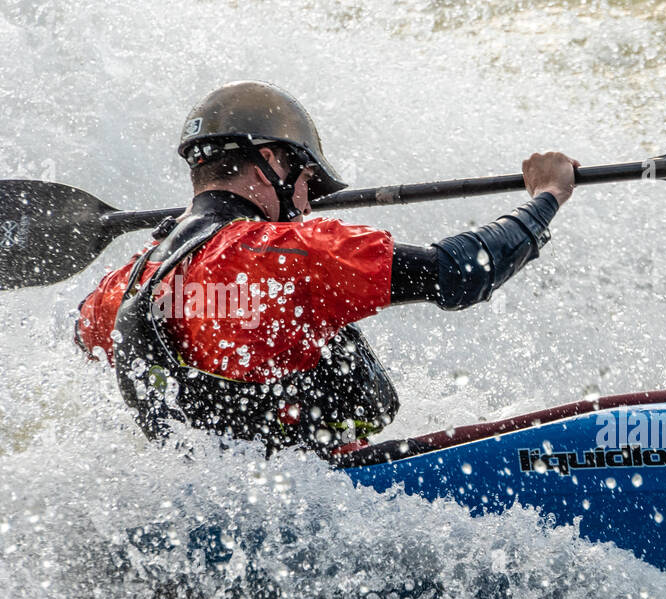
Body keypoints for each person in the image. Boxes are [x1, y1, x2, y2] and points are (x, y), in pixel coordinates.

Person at [76, 80, 578, 455]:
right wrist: (547, 197)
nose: (306, 204)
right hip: (322, 496)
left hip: (215, 501)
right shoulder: (292, 254)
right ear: (270, 160)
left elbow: (84, 336)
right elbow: (461, 272)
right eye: (306, 182)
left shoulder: (126, 283)